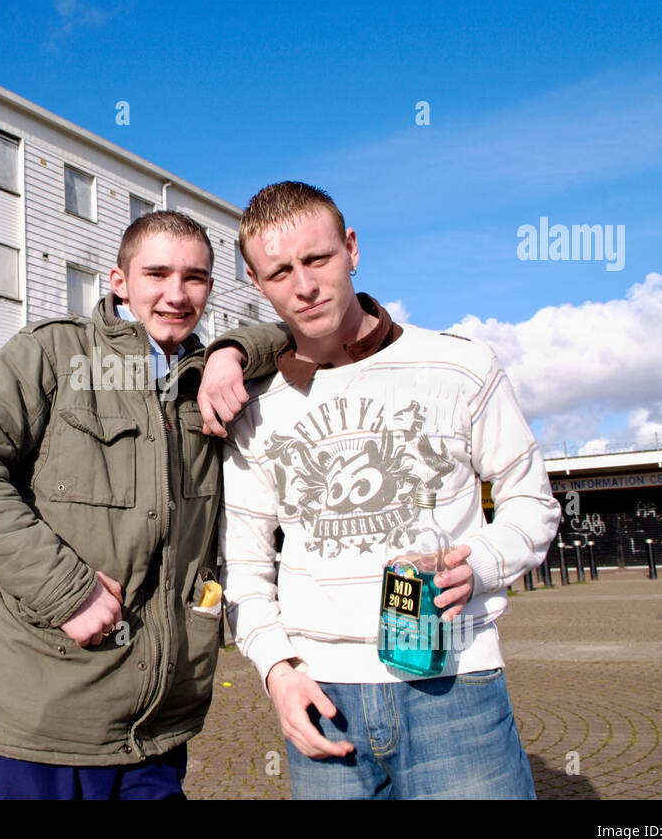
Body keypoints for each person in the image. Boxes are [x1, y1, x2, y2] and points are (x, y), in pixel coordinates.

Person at [0, 210, 286, 799]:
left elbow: (308, 326)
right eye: (156, 274)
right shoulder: (55, 354)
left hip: (159, 731)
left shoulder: (206, 378)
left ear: (212, 289)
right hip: (37, 727)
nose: (175, 294)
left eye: (194, 278)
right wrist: (64, 588)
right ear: (119, 281)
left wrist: (236, 347)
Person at [208, 181, 560, 798]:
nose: (304, 286)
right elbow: (243, 562)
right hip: (322, 695)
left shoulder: (460, 365)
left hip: (455, 683)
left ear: (351, 248)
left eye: (317, 259)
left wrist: (479, 563)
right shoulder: (255, 405)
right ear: (255, 281)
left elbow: (531, 501)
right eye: (280, 271)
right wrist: (276, 671)